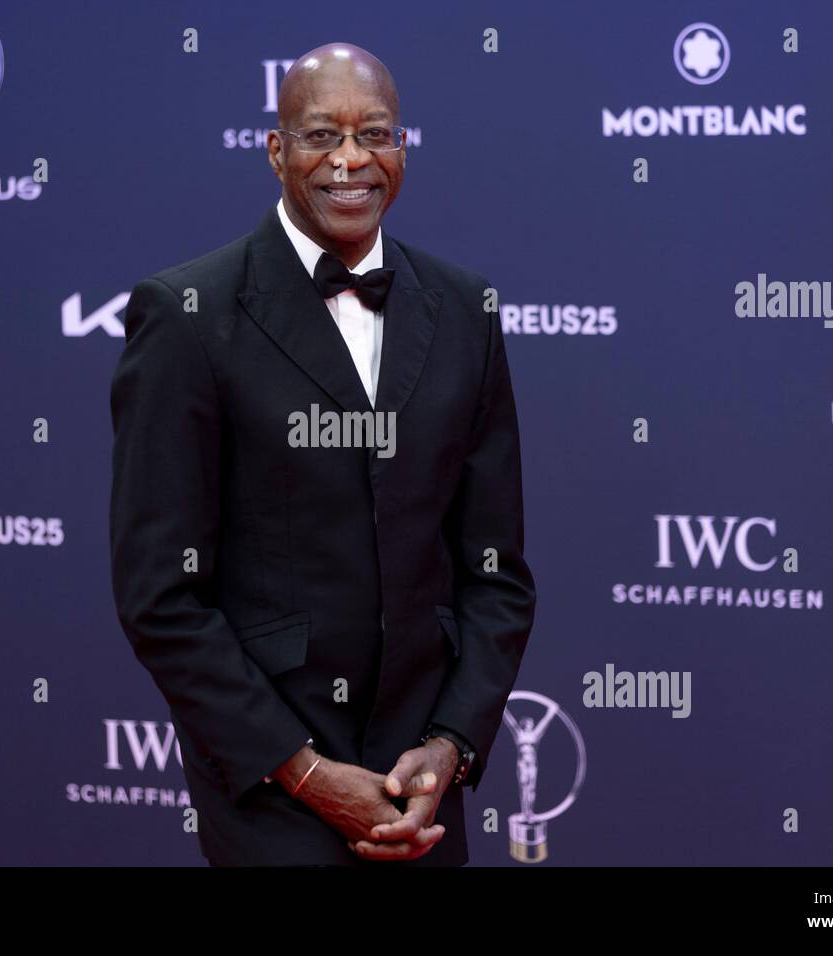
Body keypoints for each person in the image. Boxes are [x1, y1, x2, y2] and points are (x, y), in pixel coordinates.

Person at [109, 42, 535, 866]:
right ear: (275, 152)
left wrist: (448, 746)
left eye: (374, 133)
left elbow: (497, 573)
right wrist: (304, 773)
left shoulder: (465, 310)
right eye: (318, 136)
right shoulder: (188, 316)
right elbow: (160, 595)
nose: (350, 159)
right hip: (273, 799)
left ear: (403, 149)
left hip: (424, 799)